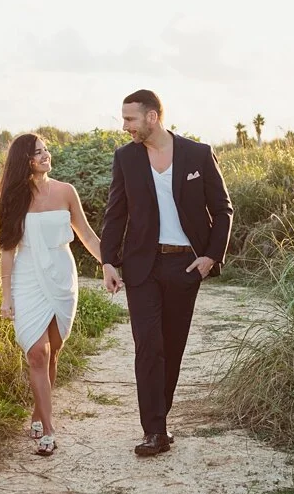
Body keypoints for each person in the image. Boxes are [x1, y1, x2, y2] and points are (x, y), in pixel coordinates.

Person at [100, 89, 233, 456]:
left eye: (130, 119)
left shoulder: (197, 154)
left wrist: (210, 257)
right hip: (142, 265)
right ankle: (154, 431)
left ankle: (160, 420)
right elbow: (116, 213)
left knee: (171, 347)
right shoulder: (126, 158)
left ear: (152, 117)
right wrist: (108, 261)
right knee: (148, 346)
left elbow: (223, 210)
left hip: (184, 266)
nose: (124, 126)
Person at [0, 132, 102, 456]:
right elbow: (7, 252)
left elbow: (87, 235)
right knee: (36, 352)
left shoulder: (66, 192)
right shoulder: (12, 198)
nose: (46, 156)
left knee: (53, 350)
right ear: (24, 161)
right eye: (38, 153)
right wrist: (6, 296)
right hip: (27, 277)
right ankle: (49, 431)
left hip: (60, 274)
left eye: (46, 151)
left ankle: (39, 413)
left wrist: (109, 266)